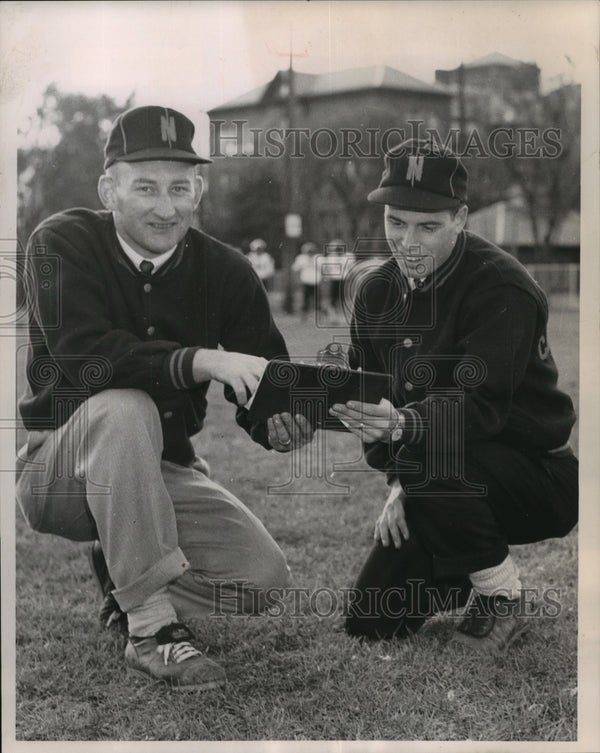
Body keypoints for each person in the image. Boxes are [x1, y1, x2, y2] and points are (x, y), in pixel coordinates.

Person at [15, 105, 313, 690]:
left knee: (260, 578)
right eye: (145, 187)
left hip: (157, 468)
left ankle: (125, 575)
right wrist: (201, 359)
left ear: (198, 190)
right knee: (126, 406)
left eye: (180, 187)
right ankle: (151, 628)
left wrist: (278, 420)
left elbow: (266, 374)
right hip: (61, 477)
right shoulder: (60, 241)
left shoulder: (225, 268)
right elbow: (86, 357)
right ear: (109, 189)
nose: (165, 205)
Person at [330, 138, 578, 651]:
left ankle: (501, 595)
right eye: (396, 223)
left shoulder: (500, 286)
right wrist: (398, 482)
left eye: (428, 226)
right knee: (370, 621)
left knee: (428, 452)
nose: (408, 242)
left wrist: (404, 438)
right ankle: (460, 561)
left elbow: (479, 408)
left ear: (461, 217)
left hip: (536, 474)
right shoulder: (377, 292)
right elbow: (372, 397)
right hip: (440, 474)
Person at [292, 241, 321, 319]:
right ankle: (304, 314)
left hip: (316, 282)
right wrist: (297, 279)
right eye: (308, 251)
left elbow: (323, 269)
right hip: (305, 281)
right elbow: (295, 269)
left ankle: (317, 314)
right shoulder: (301, 258)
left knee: (317, 299)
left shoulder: (318, 258)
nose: (310, 252)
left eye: (311, 250)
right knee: (305, 299)